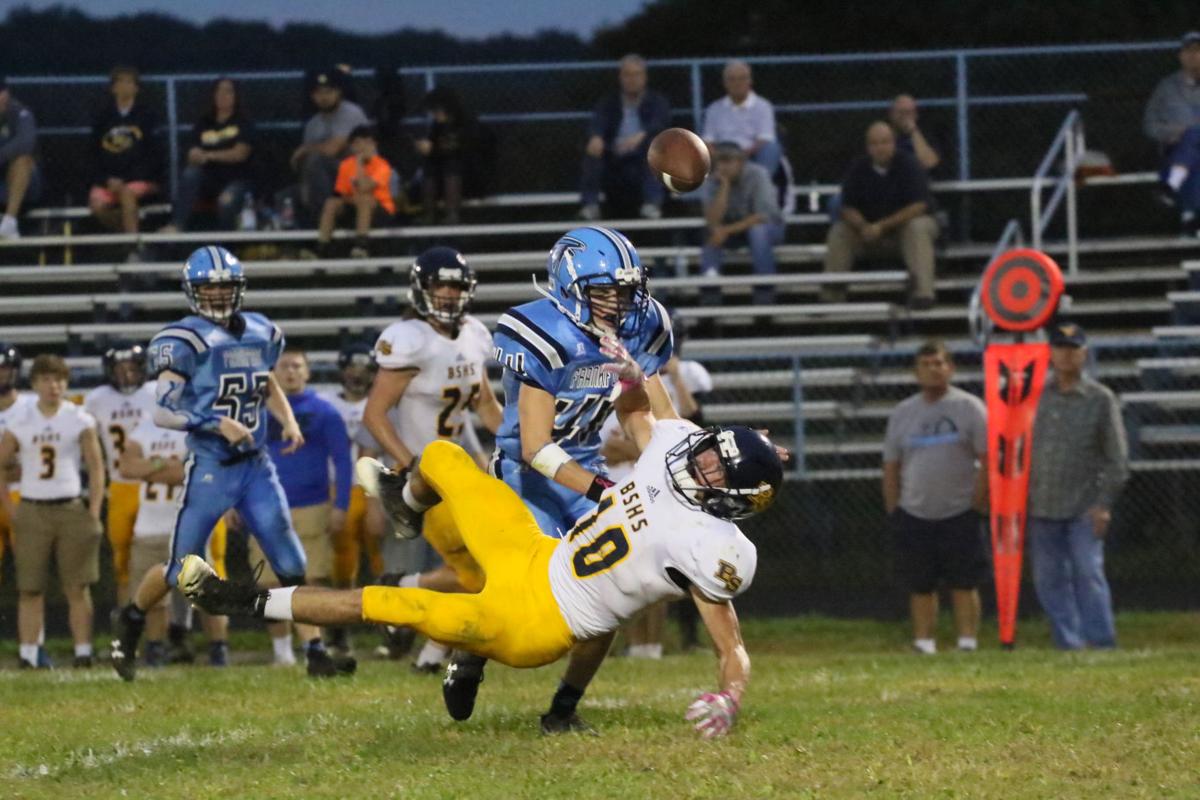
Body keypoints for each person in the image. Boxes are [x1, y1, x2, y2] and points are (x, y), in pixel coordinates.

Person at [179, 362, 783, 739]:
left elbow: (732, 647)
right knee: (443, 457)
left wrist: (730, 695)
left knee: (392, 605)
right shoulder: (675, 457)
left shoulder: (713, 548)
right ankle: (407, 506)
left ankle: (239, 598)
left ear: (733, 499)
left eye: (712, 466)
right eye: (707, 451)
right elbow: (639, 412)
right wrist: (629, 370)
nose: (697, 459)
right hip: (537, 554)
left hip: (536, 621)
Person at [109, 245, 353, 681]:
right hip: (212, 464)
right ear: (193, 291)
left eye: (226, 286)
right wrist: (214, 422)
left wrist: (289, 420)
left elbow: (265, 382)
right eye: (210, 287)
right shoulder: (181, 339)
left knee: (292, 563)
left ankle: (315, 650)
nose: (219, 294)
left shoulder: (262, 330)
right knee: (183, 567)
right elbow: (163, 410)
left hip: (256, 464)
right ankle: (130, 619)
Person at [471, 226, 675, 733]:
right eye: (605, 290)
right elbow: (538, 448)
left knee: (610, 592)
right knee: (518, 603)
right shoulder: (542, 332)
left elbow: (650, 415)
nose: (619, 302)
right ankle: (467, 654)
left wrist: (680, 461)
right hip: (526, 472)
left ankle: (563, 708)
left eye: (626, 290)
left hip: (587, 466)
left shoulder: (637, 328)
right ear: (570, 286)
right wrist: (602, 490)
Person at [362, 246, 503, 668]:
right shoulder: (409, 340)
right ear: (421, 290)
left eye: (455, 285)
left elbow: (486, 408)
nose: (446, 294)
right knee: (476, 575)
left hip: (466, 467)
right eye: (438, 285)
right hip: (429, 476)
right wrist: (410, 466)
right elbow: (374, 414)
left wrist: (530, 444)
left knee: (482, 571)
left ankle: (427, 652)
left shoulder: (476, 333)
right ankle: (405, 597)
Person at [882, 341, 988, 655]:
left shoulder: (970, 408)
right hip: (915, 511)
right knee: (920, 583)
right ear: (916, 372)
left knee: (964, 581)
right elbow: (891, 465)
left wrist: (977, 503)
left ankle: (967, 641)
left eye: (939, 363)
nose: (934, 369)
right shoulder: (903, 413)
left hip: (960, 510)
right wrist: (895, 509)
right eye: (926, 364)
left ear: (950, 368)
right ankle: (924, 641)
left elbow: (986, 458)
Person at [1027, 323, 1129, 651]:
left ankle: (1101, 640)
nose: (1066, 354)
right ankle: (1067, 641)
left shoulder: (1101, 399)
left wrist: (1103, 503)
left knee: (1088, 571)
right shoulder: (1033, 398)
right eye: (1060, 347)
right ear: (1050, 353)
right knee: (1048, 578)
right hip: (1041, 502)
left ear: (1084, 354)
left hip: (1084, 504)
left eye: (1073, 348)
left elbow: (1117, 458)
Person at [0, 355, 105, 669]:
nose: (53, 386)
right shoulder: (20, 421)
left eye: (59, 380)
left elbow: (97, 467)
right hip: (32, 506)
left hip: (71, 505)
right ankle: (29, 654)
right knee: (30, 588)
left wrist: (94, 510)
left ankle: (83, 652)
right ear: (34, 384)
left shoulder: (79, 418)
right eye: (46, 379)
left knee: (77, 586)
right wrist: (10, 509)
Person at [259, 347, 353, 665]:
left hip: (313, 504)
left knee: (311, 580)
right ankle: (282, 653)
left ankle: (315, 647)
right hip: (267, 505)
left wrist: (341, 504)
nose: (291, 372)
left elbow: (342, 460)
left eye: (297, 366)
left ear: (308, 372)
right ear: (273, 373)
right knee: (269, 582)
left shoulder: (324, 411)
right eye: (284, 367)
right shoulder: (259, 411)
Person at [118, 417, 230, 668]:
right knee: (153, 599)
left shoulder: (200, 429)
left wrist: (149, 467)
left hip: (189, 526)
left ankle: (218, 649)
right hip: (148, 526)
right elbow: (126, 467)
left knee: (206, 594)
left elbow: (192, 472)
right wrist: (162, 464)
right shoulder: (144, 427)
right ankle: (156, 649)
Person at [822, 121, 939, 309]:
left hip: (902, 233)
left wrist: (882, 226)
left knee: (918, 226)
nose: (880, 148)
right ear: (868, 147)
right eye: (875, 143)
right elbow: (846, 207)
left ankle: (923, 294)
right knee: (840, 230)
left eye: (885, 142)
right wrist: (863, 226)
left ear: (893, 143)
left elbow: (919, 205)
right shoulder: (858, 168)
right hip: (870, 234)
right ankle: (831, 295)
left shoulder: (909, 164)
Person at [320, 342, 383, 657]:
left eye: (363, 370)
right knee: (342, 564)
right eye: (351, 369)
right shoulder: (326, 403)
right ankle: (339, 628)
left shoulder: (383, 402)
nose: (357, 376)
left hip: (377, 490)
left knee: (381, 560)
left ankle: (393, 627)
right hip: (337, 488)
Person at [83, 343, 155, 606]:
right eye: (120, 369)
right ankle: (127, 632)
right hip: (121, 485)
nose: (126, 375)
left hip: (157, 486)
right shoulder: (97, 398)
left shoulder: (156, 391)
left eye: (132, 369)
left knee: (166, 559)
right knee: (122, 563)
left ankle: (170, 631)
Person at [579, 54, 671, 222]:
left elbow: (660, 123)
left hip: (642, 155)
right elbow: (598, 121)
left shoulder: (657, 101)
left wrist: (640, 136)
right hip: (615, 155)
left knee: (654, 144)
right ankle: (590, 205)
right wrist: (596, 136)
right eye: (627, 75)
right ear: (620, 77)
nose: (632, 79)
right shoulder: (609, 102)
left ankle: (652, 203)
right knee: (593, 148)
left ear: (644, 77)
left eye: (636, 74)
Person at [700, 142, 785, 306]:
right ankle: (710, 292)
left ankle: (764, 290)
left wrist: (725, 230)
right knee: (711, 235)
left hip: (768, 228)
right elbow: (712, 220)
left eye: (728, 160)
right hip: (733, 231)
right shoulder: (713, 180)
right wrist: (724, 187)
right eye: (720, 161)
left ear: (741, 161)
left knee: (758, 232)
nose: (723, 166)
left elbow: (763, 216)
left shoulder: (758, 174)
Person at [166, 77, 255, 233]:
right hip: (207, 179)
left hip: (236, 179)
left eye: (228, 91)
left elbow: (240, 154)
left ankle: (226, 243)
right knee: (190, 173)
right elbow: (191, 151)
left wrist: (208, 155)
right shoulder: (203, 122)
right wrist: (194, 154)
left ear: (236, 96)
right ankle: (176, 225)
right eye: (219, 91)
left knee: (226, 201)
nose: (223, 95)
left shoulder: (243, 122)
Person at [88, 66, 160, 249]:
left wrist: (127, 179)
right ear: (113, 87)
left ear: (136, 87)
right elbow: (93, 155)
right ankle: (134, 237)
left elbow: (154, 156)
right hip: (109, 181)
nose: (124, 86)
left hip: (140, 180)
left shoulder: (148, 117)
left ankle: (134, 250)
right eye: (120, 81)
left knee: (127, 193)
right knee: (96, 204)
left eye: (129, 81)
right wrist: (106, 179)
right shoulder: (102, 118)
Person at [290, 69, 368, 226]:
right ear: (312, 96)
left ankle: (328, 222)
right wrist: (305, 186)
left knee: (316, 160)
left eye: (328, 92)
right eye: (319, 93)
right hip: (328, 181)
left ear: (338, 92)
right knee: (287, 195)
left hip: (359, 174)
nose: (324, 97)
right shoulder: (313, 124)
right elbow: (302, 164)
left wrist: (305, 149)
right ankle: (305, 242)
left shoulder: (351, 112)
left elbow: (333, 150)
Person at [1144, 31, 1200, 237]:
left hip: (1185, 160)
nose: (1194, 56)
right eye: (1189, 51)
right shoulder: (1166, 88)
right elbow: (1150, 125)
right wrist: (1173, 133)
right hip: (1174, 151)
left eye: (1199, 51)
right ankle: (1192, 218)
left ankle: (1172, 189)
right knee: (1193, 145)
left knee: (1195, 136)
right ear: (1181, 56)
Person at [314, 126, 397, 259]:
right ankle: (322, 246)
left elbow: (364, 187)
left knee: (364, 199)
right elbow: (340, 193)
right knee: (331, 203)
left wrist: (359, 163)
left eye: (367, 142)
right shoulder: (345, 165)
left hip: (380, 211)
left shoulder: (382, 165)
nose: (363, 147)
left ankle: (361, 245)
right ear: (352, 146)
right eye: (358, 143)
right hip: (353, 208)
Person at [701, 60, 780, 176]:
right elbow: (708, 140)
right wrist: (722, 158)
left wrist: (739, 157)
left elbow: (764, 139)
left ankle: (762, 186)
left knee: (771, 148)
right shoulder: (714, 109)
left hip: (751, 155)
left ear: (750, 81)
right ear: (725, 83)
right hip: (722, 156)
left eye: (742, 78)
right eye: (732, 79)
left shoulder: (763, 106)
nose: (737, 83)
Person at [414, 87, 479, 225]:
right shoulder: (437, 125)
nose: (434, 114)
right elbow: (436, 148)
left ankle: (452, 214)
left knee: (452, 166)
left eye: (436, 110)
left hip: (467, 171)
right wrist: (426, 148)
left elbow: (463, 149)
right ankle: (429, 214)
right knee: (429, 168)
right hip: (442, 169)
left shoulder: (465, 122)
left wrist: (435, 149)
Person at [0, 344, 28, 586]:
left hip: (24, 490)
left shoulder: (31, 407)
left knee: (30, 571)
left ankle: (34, 627)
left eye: (4, 369)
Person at [0, 77, 41, 239]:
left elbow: (25, 143)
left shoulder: (20, 113)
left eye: (1, 92)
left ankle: (9, 222)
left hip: (23, 184)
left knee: (23, 160)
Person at [888, 94, 941, 173]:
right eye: (901, 112)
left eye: (908, 112)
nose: (904, 117)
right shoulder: (884, 136)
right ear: (892, 114)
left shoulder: (925, 136)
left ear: (916, 115)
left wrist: (913, 131)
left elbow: (930, 163)